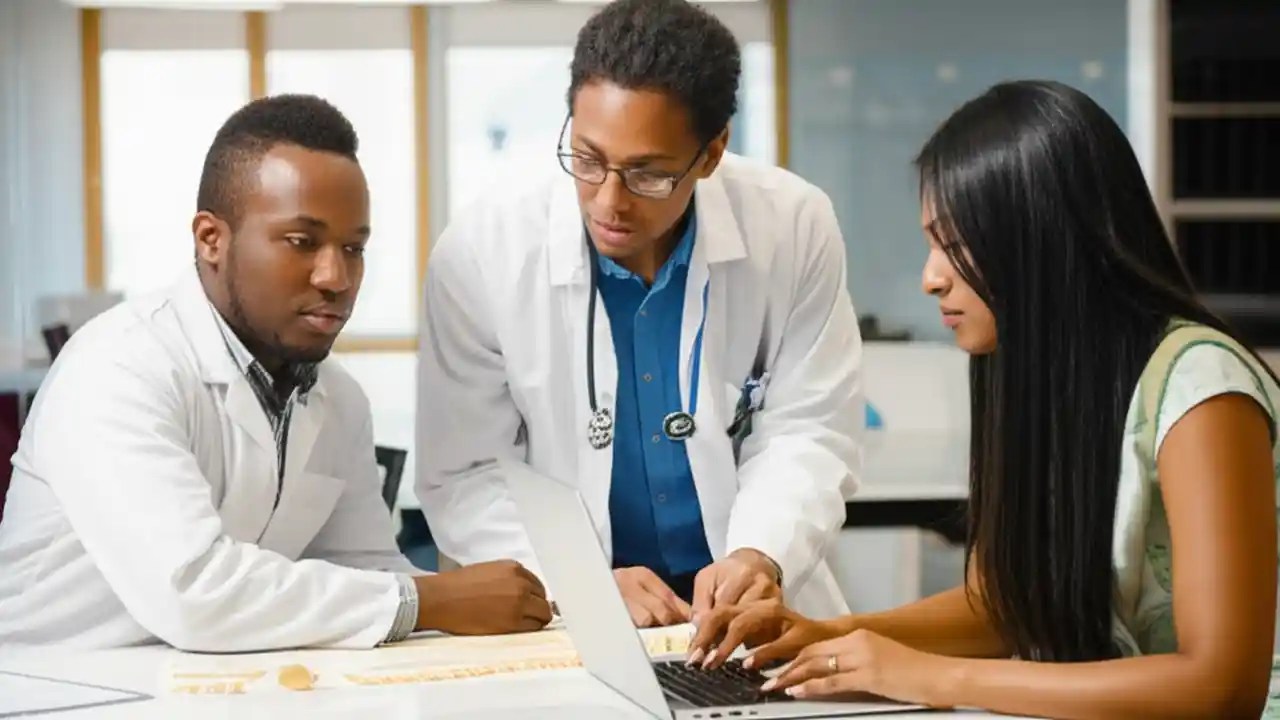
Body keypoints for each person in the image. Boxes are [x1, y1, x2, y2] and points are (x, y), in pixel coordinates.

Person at [687, 80, 1279, 719]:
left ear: (1044, 241)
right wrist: (832, 637)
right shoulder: (1040, 376)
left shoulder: (1200, 392)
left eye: (956, 245)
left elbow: (1222, 688)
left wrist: (930, 678)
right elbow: (1005, 605)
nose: (930, 277)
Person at [0, 94, 551, 651]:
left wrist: (534, 600)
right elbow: (194, 593)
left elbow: (369, 573)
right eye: (301, 242)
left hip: (210, 687)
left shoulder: (339, 399)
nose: (336, 276)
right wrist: (435, 599)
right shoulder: (117, 367)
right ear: (211, 239)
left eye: (353, 247)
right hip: (62, 689)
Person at [417, 0, 863, 629]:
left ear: (710, 155)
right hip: (571, 612)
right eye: (588, 158)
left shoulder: (792, 225)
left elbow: (809, 427)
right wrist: (580, 584)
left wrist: (761, 554)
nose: (609, 202)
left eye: (648, 175)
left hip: (743, 610)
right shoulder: (483, 251)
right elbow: (465, 474)